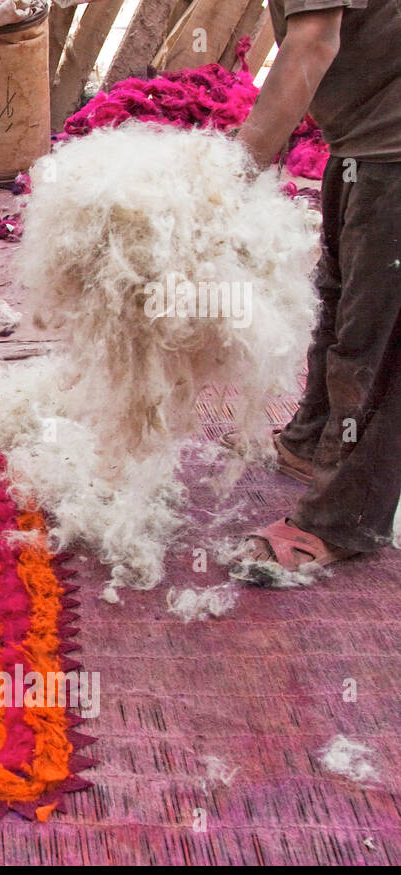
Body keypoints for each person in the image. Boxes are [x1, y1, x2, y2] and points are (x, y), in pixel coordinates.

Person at [232, 0, 401, 580]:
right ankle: (312, 441)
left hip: (393, 146)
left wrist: (225, 179)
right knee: (339, 296)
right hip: (366, 138)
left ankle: (341, 517)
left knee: (376, 338)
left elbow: (312, 43)